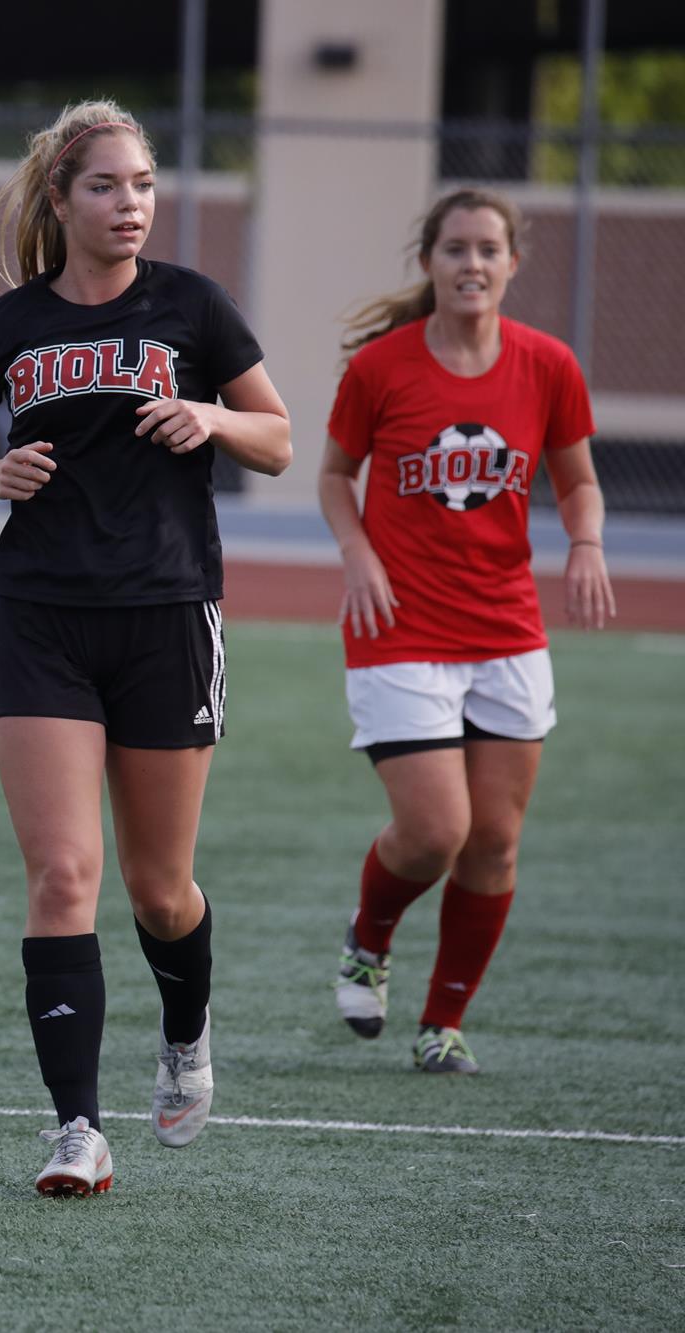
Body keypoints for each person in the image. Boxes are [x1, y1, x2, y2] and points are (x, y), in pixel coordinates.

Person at [0, 100, 291, 1196]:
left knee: (157, 887)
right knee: (60, 874)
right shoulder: (5, 326)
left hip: (167, 614)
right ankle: (75, 1127)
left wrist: (211, 419)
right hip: (40, 612)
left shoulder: (192, 307)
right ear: (59, 200)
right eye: (105, 187)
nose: (128, 204)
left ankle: (184, 1031)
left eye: (140, 185)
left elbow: (275, 435)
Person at [323, 188, 613, 1075]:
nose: (472, 264)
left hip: (506, 633)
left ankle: (441, 1023)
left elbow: (576, 481)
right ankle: (369, 938)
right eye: (456, 249)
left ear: (512, 265)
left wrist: (586, 543)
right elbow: (336, 475)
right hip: (399, 629)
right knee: (435, 831)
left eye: (489, 249)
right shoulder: (381, 368)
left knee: (493, 840)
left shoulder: (547, 364)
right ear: (429, 262)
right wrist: (359, 553)